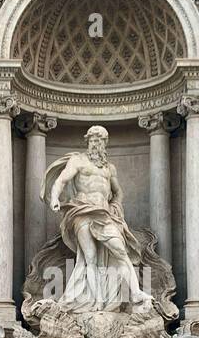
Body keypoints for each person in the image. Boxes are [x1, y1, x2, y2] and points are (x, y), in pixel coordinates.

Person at [43, 125, 152, 312]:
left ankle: (135, 292)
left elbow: (118, 192)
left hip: (104, 214)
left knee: (121, 251)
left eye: (100, 141)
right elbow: (61, 181)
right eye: (93, 140)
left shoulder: (110, 168)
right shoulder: (78, 161)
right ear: (87, 142)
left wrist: (116, 206)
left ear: (105, 144)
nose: (96, 144)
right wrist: (54, 198)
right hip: (82, 211)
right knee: (90, 257)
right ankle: (98, 301)